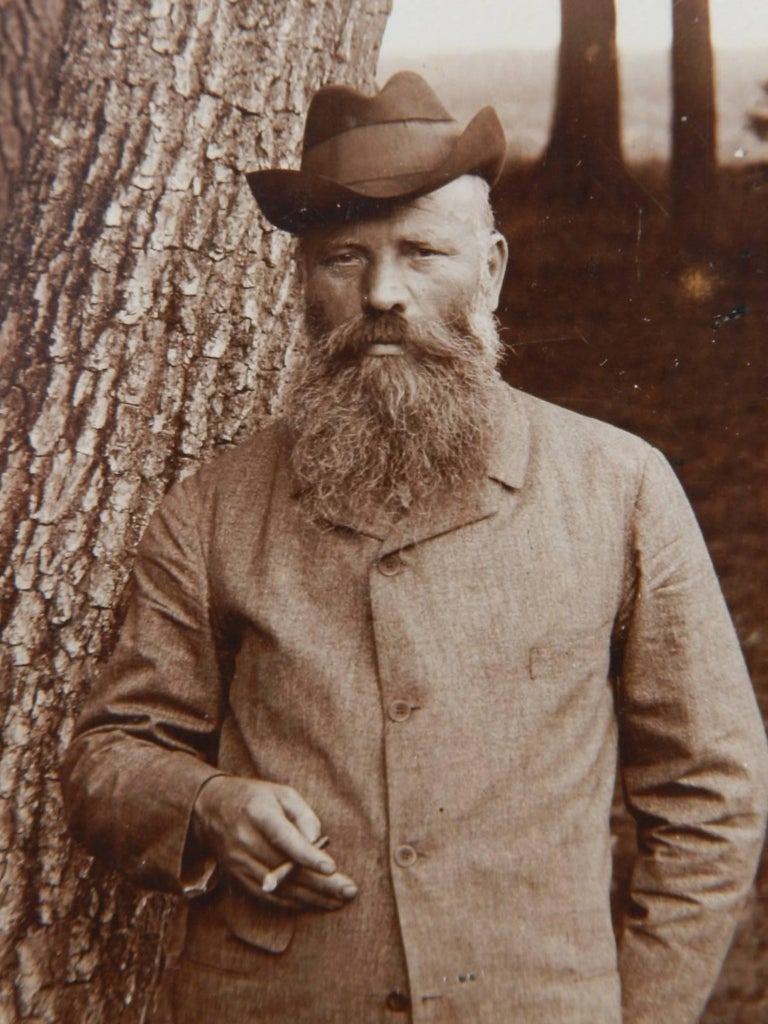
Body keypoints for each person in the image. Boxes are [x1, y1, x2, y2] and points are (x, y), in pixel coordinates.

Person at [62, 72, 768, 1024]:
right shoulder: (215, 507)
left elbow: (712, 790)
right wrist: (204, 805)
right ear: (305, 283)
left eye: (423, 251)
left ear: (493, 270)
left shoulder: (621, 488)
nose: (384, 293)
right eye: (345, 257)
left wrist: (640, 1010)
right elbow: (112, 753)